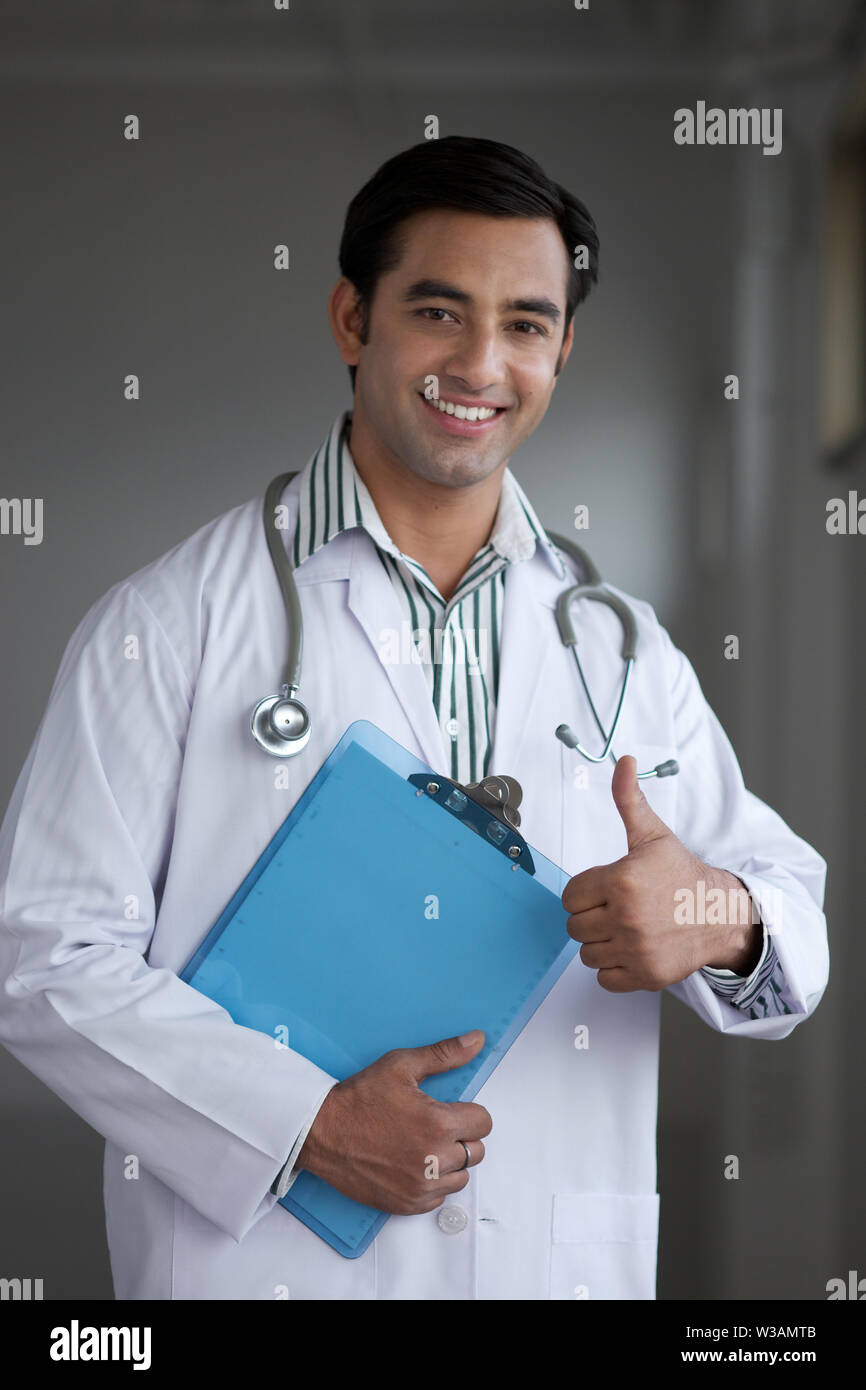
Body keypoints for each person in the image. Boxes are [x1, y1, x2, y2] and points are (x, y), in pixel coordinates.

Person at [0, 136, 828, 1301]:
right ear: (353, 320)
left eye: (526, 323)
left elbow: (785, 911)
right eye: (438, 313)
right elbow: (43, 958)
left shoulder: (619, 647)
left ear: (560, 348)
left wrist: (712, 916)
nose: (482, 361)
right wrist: (304, 1126)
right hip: (268, 1269)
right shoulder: (170, 622)